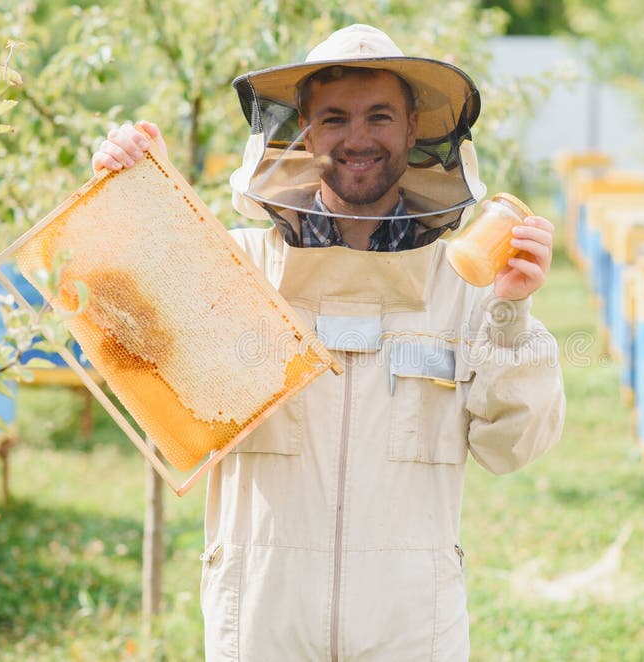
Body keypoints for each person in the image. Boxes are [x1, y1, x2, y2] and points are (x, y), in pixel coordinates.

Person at [93, 23, 564, 662]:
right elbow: (140, 357)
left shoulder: (465, 285)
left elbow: (511, 445)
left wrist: (511, 310)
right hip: (260, 620)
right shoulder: (237, 267)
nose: (358, 138)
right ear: (305, 130)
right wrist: (134, 203)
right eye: (335, 118)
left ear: (414, 126)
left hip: (410, 627)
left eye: (380, 116)